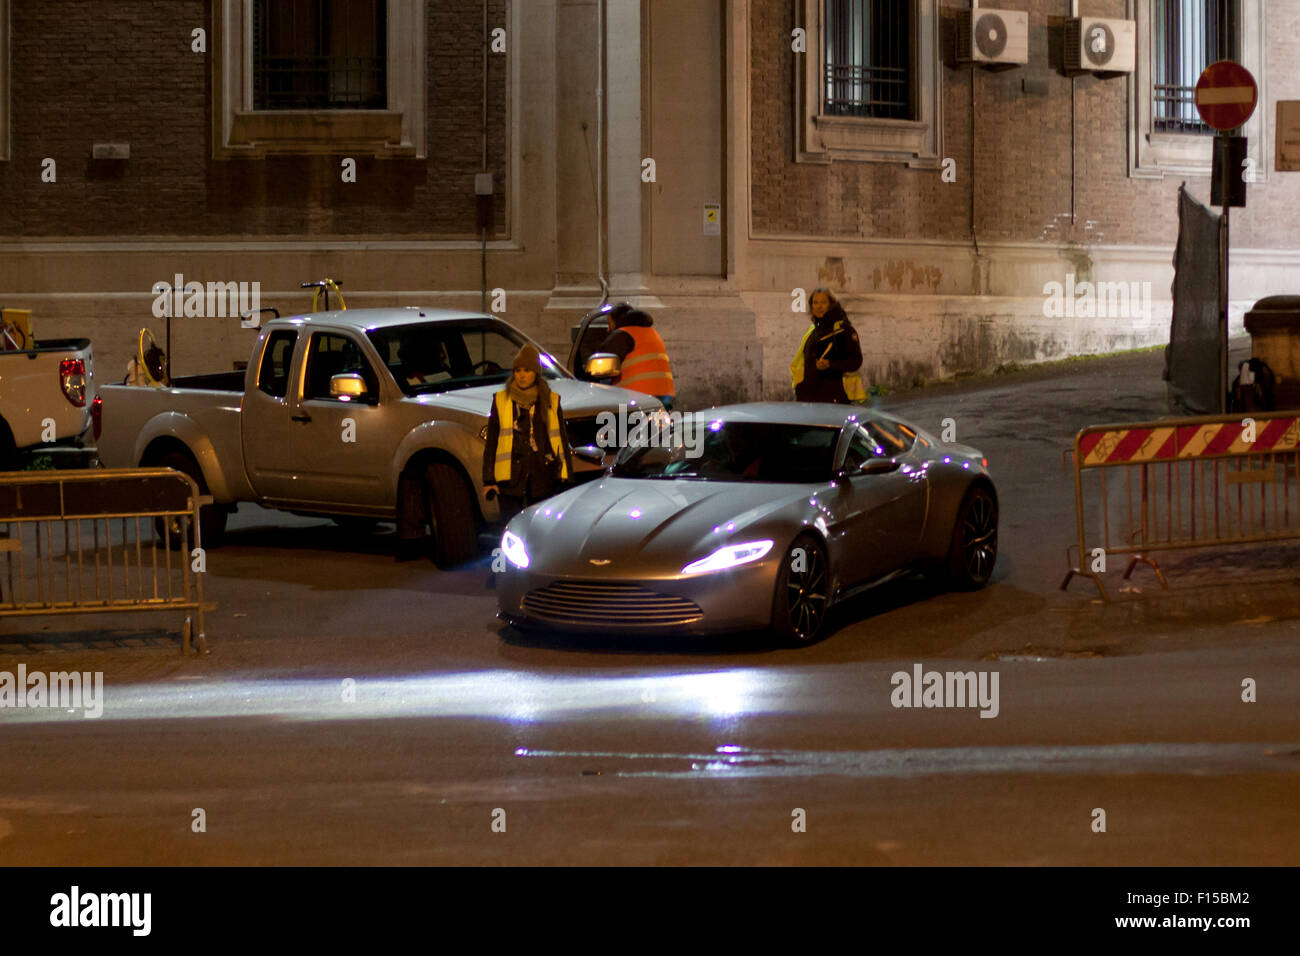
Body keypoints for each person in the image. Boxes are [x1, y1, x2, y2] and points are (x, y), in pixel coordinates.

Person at [482, 343, 574, 524]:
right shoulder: (501, 400)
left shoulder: (550, 401)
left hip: (542, 477)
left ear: (536, 373)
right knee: (511, 526)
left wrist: (566, 476)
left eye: (527, 370)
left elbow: (560, 440)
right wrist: (488, 480)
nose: (521, 375)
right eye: (517, 370)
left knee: (540, 526)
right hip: (509, 479)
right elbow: (492, 442)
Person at [790, 287, 866, 404]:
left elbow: (856, 361)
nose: (819, 306)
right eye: (815, 302)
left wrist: (830, 365)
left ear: (831, 305)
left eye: (823, 302)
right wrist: (800, 388)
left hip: (834, 397)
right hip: (809, 398)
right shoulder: (813, 331)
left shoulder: (844, 330)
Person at [594, 304, 677, 411]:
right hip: (663, 398)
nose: (608, 329)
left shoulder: (622, 334)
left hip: (635, 399)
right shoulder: (651, 332)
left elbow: (600, 360)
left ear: (618, 320)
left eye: (610, 324)